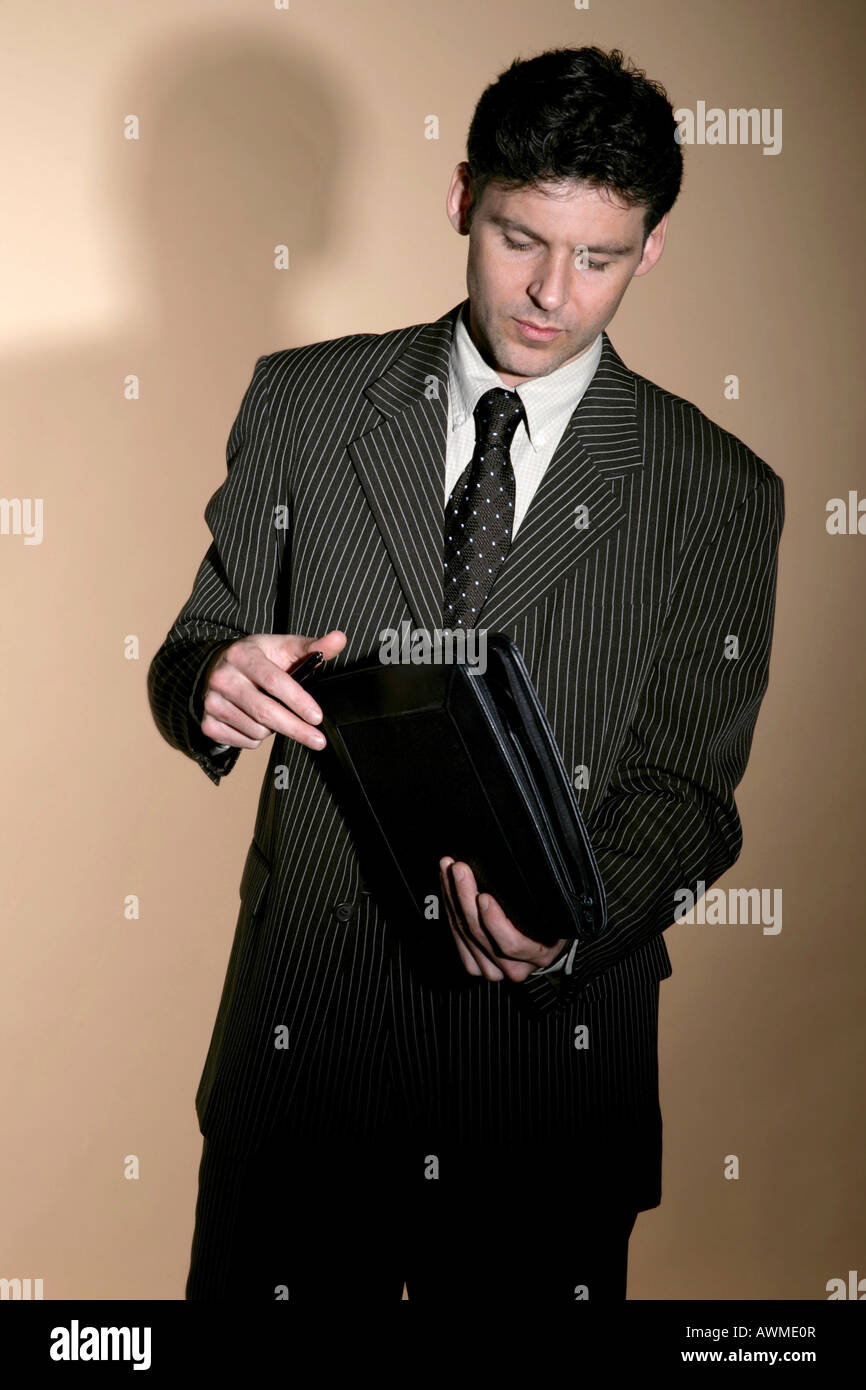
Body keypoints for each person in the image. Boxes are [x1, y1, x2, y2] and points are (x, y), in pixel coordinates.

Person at [147, 45, 784, 1303]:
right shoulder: (301, 402)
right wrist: (208, 683)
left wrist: (569, 927)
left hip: (540, 1103)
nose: (551, 292)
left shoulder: (718, 491)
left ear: (648, 248)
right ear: (460, 199)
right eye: (517, 238)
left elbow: (689, 797)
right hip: (302, 1069)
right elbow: (195, 642)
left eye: (597, 258)